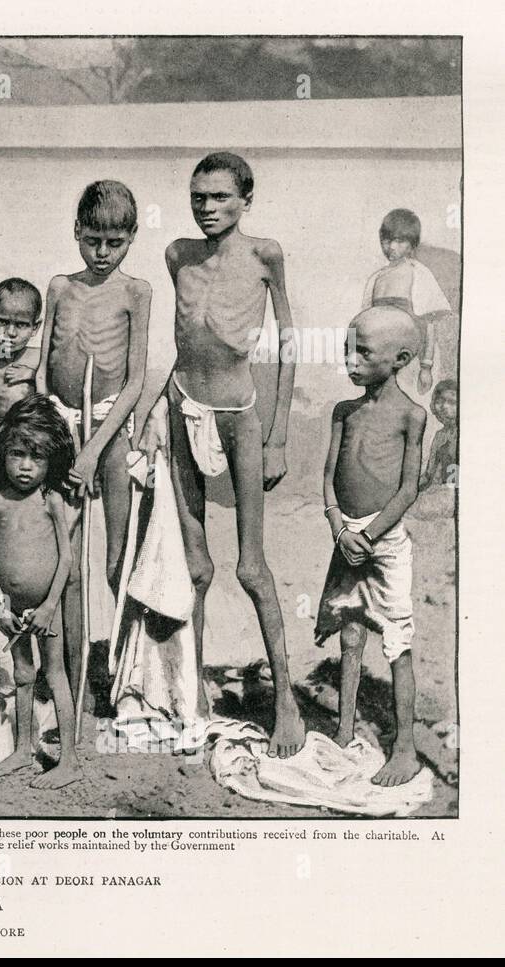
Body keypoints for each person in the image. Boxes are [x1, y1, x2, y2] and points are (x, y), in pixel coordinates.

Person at [165, 151, 304, 757]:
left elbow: (289, 342)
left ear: (246, 199)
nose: (208, 208)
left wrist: (277, 434)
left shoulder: (265, 254)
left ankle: (287, 703)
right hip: (182, 407)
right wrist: (154, 411)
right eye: (199, 197)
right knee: (195, 566)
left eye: (221, 197)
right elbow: (184, 344)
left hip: (242, 415)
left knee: (252, 566)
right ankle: (192, 694)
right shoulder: (178, 256)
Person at [36, 180, 151, 695]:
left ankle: (127, 673)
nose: (102, 254)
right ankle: (66, 671)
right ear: (77, 232)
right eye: (93, 241)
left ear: (130, 240)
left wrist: (93, 448)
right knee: (66, 554)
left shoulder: (136, 292)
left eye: (115, 243)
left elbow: (135, 381)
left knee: (117, 558)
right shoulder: (60, 287)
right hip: (63, 423)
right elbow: (41, 371)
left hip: (109, 427)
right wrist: (59, 433)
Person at [316, 307, 426, 786]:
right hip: (346, 539)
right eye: (347, 351)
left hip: (385, 543)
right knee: (350, 633)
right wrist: (342, 531)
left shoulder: (412, 416)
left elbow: (408, 490)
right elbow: (327, 478)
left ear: (400, 359)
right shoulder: (344, 411)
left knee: (397, 642)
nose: (351, 362)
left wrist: (369, 534)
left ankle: (403, 749)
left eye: (362, 352)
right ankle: (342, 730)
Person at [0, 395, 80, 788]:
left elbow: (66, 560)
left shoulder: (50, 500)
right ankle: (23, 749)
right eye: (17, 454)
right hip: (12, 608)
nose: (25, 466)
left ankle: (68, 760)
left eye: (36, 458)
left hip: (45, 609)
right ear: (4, 453)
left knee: (54, 675)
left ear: (51, 461)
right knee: (22, 673)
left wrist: (49, 606)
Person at [361, 208, 455, 397]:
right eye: (387, 240)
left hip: (411, 360)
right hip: (380, 360)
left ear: (412, 245)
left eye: (400, 241)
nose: (392, 247)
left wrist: (426, 366)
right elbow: (362, 324)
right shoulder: (375, 279)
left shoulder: (419, 274)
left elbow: (429, 324)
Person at [0, 278, 41, 433]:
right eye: (2, 322)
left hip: (39, 437)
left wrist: (34, 375)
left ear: (35, 327)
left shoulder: (39, 358)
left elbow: (60, 388)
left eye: (21, 324)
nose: (11, 333)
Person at [420, 379, 458, 490]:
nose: (444, 406)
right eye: (440, 401)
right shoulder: (439, 436)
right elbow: (428, 476)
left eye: (452, 402)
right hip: (445, 490)